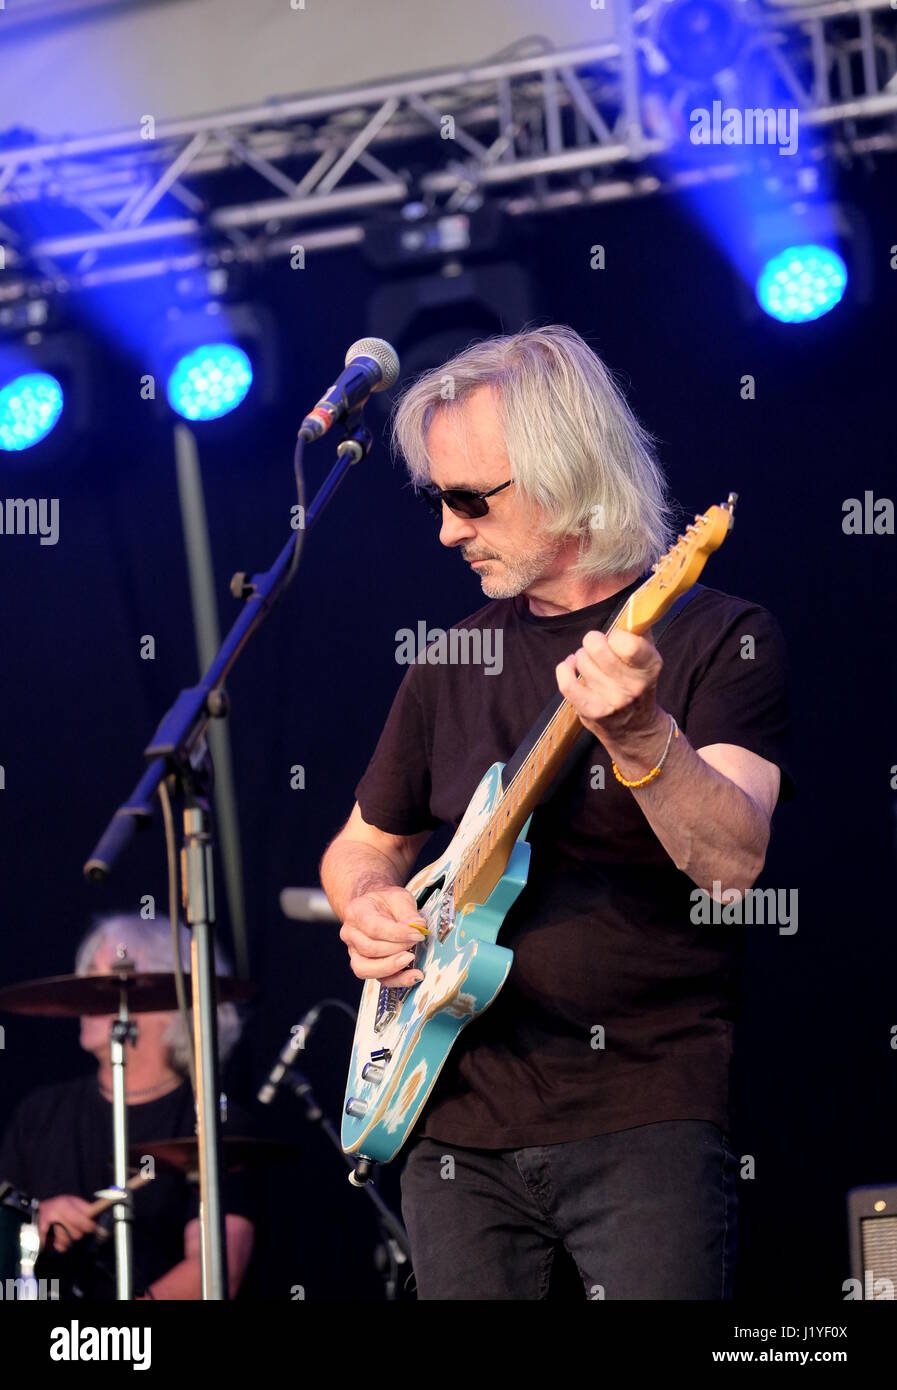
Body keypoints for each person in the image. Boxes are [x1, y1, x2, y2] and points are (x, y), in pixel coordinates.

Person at [319, 324, 793, 1300]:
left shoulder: (717, 636)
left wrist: (641, 736)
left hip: (642, 1115)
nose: (446, 530)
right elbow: (361, 844)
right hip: (450, 1126)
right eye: (434, 498)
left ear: (568, 473)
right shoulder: (448, 658)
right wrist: (366, 899)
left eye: (467, 499)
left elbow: (734, 864)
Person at [0, 914, 255, 1299]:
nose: (86, 995)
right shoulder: (40, 1113)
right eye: (86, 979)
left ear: (171, 1002)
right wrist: (31, 1228)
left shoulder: (214, 1120)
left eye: (107, 981)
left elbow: (216, 1272)